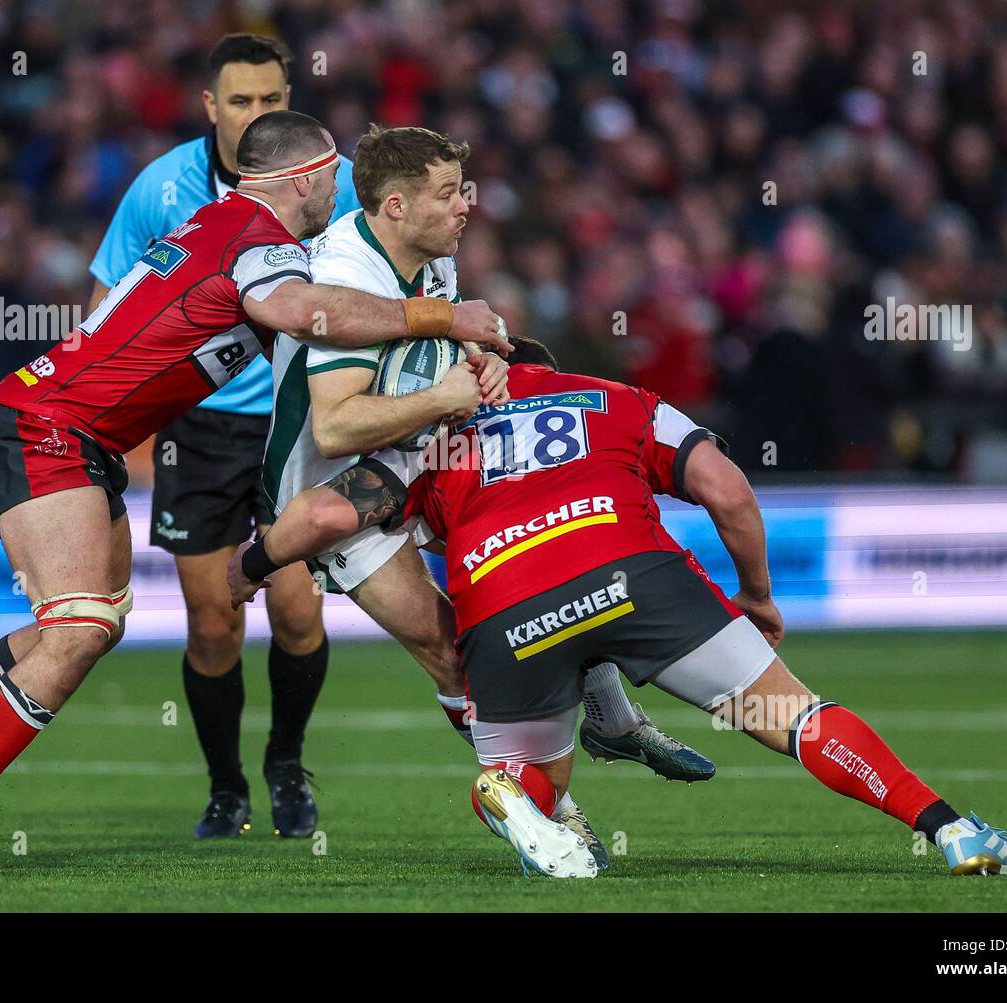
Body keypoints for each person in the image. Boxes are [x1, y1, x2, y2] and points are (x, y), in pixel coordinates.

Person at [0, 110, 510, 875]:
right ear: (302, 178)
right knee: (78, 627)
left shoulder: (225, 226)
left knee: (90, 623)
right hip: (48, 426)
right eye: (330, 174)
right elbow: (307, 314)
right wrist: (446, 315)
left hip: (74, 432)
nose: (338, 187)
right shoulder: (259, 241)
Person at [232, 337, 1007, 879]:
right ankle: (947, 827)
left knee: (534, 784)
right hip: (634, 576)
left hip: (504, 608)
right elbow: (726, 487)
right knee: (796, 716)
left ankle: (507, 786)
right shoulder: (616, 398)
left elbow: (327, 518)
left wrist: (251, 564)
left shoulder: (431, 434)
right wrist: (756, 594)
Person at [242, 123, 716, 866]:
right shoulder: (345, 274)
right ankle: (552, 809)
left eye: (462, 189)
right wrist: (448, 392)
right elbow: (335, 426)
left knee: (546, 578)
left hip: (422, 456)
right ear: (395, 206)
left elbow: (435, 352)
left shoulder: (433, 255)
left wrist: (480, 364)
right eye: (447, 194)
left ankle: (610, 719)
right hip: (336, 491)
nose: (466, 206)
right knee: (450, 650)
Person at [87, 34, 361, 839]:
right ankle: (225, 788)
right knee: (211, 622)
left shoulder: (333, 183)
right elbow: (106, 307)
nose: (255, 115)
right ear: (210, 107)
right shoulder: (161, 187)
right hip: (197, 431)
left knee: (299, 614)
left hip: (300, 420)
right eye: (239, 101)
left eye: (271, 100)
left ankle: (285, 760)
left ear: (290, 97)